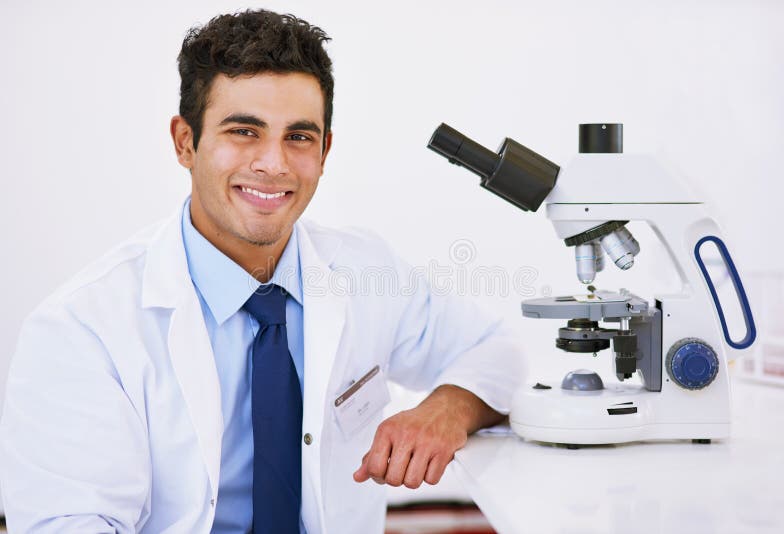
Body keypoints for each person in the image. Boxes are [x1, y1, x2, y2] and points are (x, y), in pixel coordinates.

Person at [0, 9, 525, 533]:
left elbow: (497, 353)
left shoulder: (364, 270)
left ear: (325, 150)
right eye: (244, 131)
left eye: (299, 137)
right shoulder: (82, 330)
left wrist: (447, 410)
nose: (273, 164)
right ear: (186, 142)